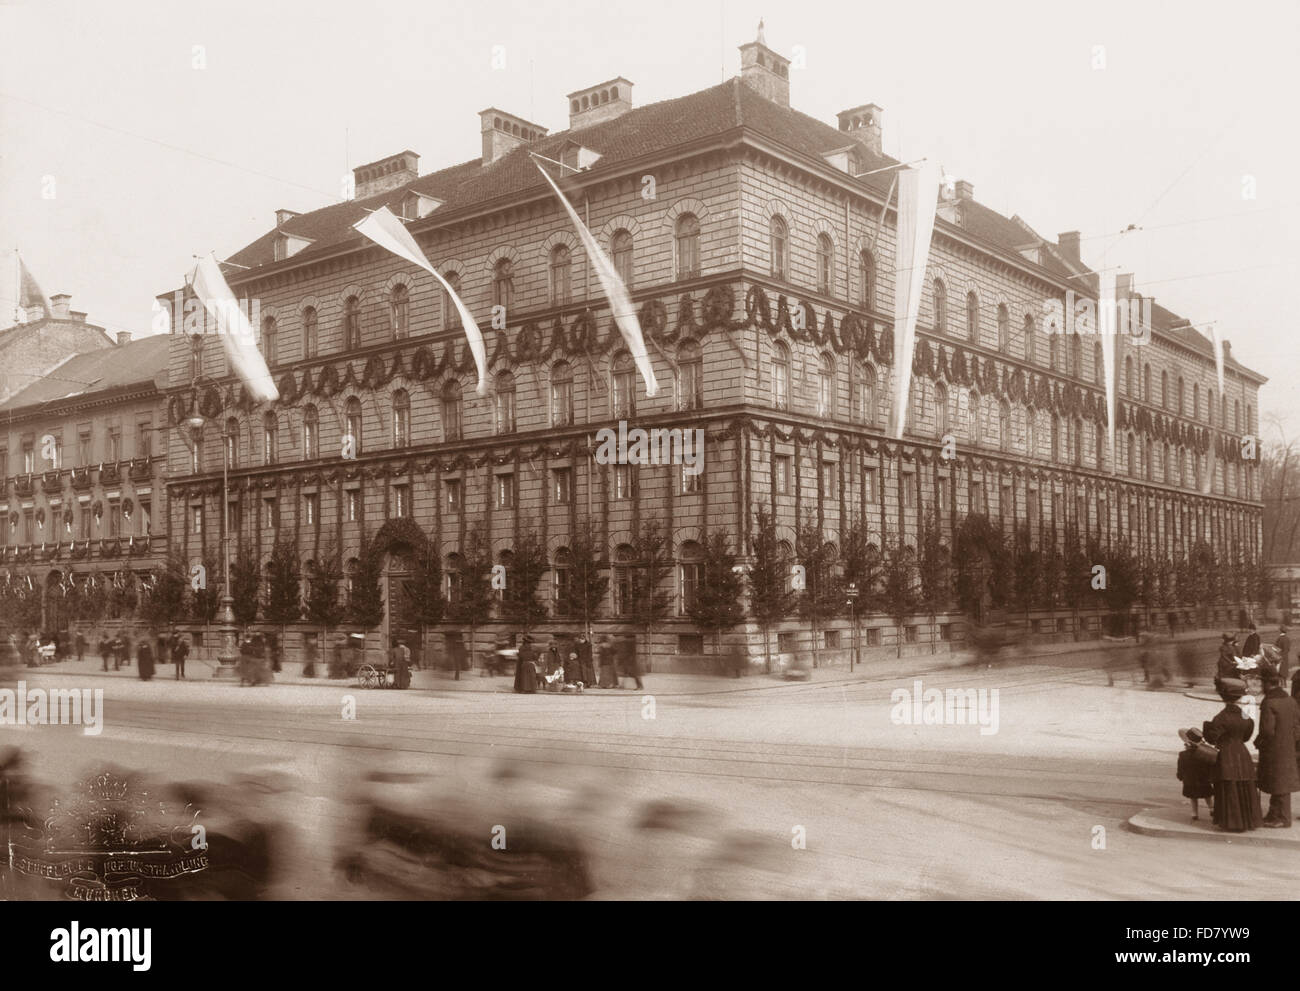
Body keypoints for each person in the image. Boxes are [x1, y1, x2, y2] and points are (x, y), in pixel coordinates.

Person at [1202, 678, 1263, 833]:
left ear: (1223, 697)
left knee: (1228, 786)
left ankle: (1231, 822)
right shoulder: (1246, 717)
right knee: (1244, 786)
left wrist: (1207, 728)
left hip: (1226, 754)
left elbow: (1211, 738)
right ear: (1240, 697)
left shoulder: (1221, 717)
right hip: (1242, 754)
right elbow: (1246, 737)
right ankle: (1248, 821)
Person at [1254, 671, 1300, 828]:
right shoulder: (1290, 700)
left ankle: (1283, 818)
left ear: (1268, 684)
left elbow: (1267, 730)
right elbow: (1297, 726)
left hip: (1273, 748)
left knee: (1278, 782)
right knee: (1281, 781)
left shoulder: (1269, 702)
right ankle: (1274, 814)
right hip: (1288, 747)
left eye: (1262, 684)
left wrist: (1259, 742)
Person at [1176, 727, 1215, 821]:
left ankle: (1194, 813)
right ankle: (1212, 808)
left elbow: (1181, 767)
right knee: (1207, 795)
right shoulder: (1205, 755)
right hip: (1203, 779)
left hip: (1190, 779)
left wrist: (1180, 776)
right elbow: (1210, 767)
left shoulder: (1183, 755)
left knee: (1193, 797)